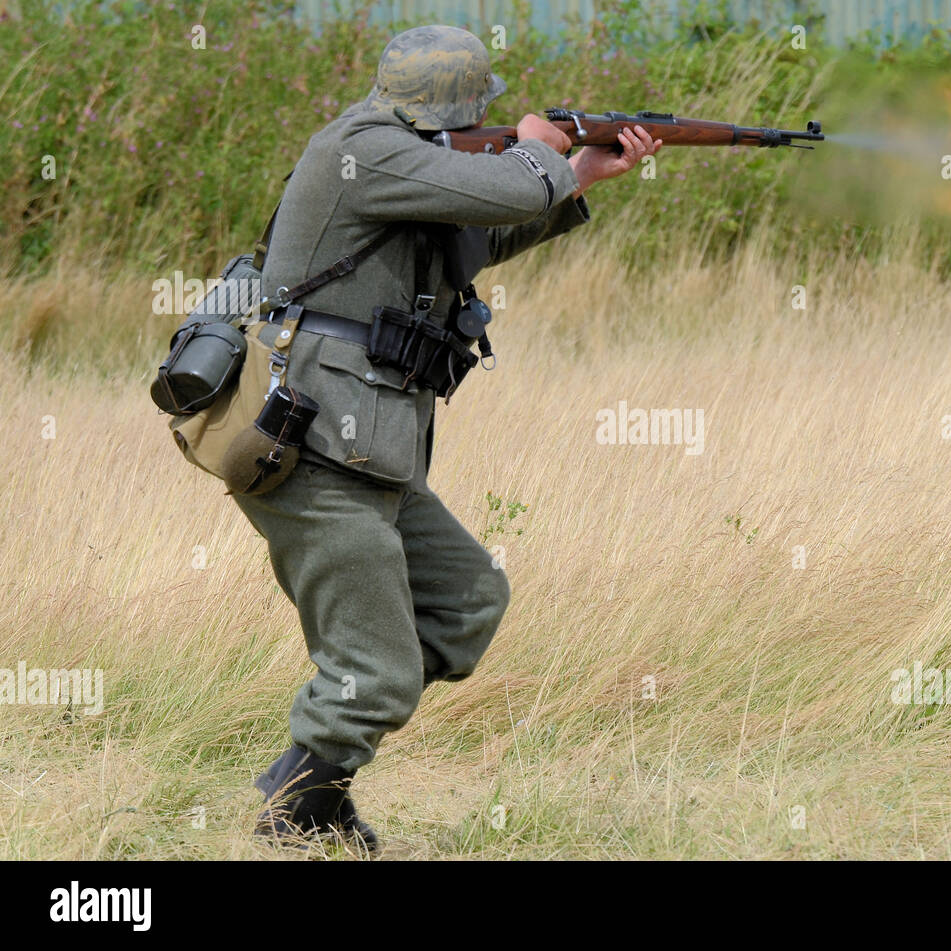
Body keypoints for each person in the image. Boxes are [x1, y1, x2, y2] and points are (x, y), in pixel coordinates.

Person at [240, 24, 660, 853]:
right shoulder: (364, 147)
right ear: (463, 104)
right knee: (381, 671)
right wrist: (540, 149)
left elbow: (478, 233)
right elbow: (504, 187)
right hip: (317, 444)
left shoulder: (407, 155)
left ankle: (316, 767)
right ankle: (300, 809)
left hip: (372, 447)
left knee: (468, 601)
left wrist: (573, 176)